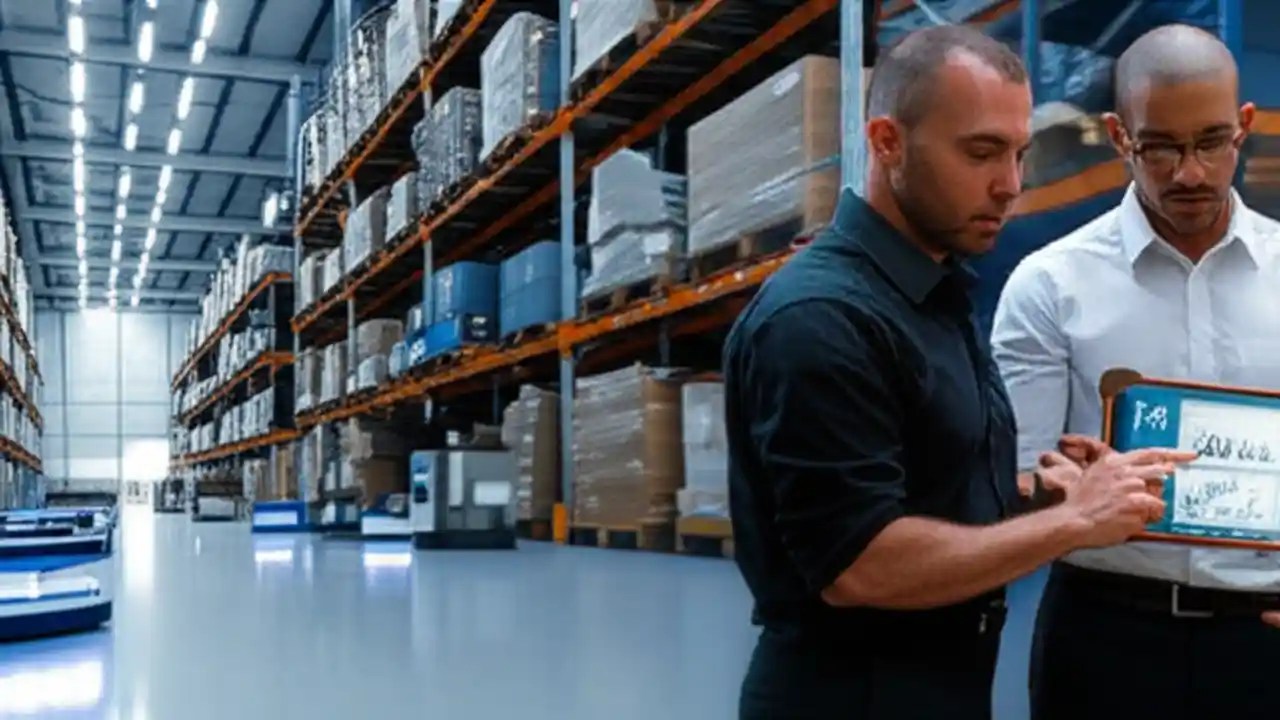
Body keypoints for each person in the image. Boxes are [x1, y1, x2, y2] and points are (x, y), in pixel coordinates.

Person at [724, 24, 1193, 720]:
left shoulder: (932, 295)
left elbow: (935, 485)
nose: (1010, 185)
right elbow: (861, 566)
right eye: (980, 153)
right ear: (888, 142)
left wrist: (1047, 495)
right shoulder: (820, 320)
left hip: (939, 686)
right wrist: (1075, 523)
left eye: (1018, 154)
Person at [991, 23, 1280, 720]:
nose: (1190, 173)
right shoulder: (1049, 286)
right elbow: (1012, 483)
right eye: (1160, 147)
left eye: (1211, 142)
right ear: (1120, 137)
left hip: (1267, 641)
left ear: (1243, 127)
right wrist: (1070, 497)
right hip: (1104, 638)